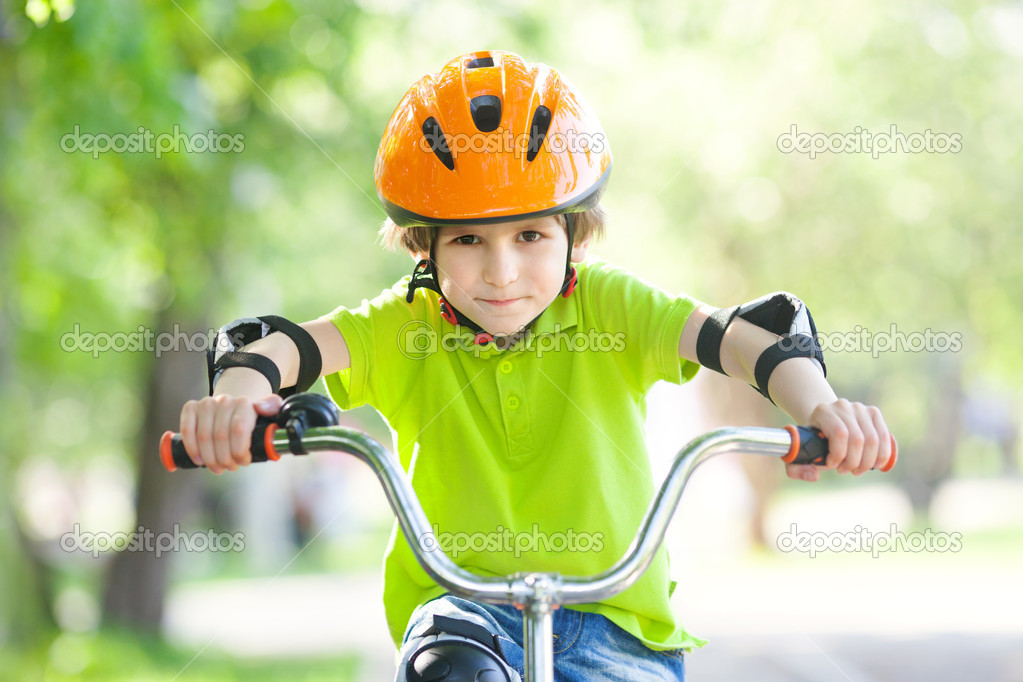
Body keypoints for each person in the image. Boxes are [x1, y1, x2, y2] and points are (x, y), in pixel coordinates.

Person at [177, 50, 893, 682]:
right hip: (464, 615)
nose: (501, 272)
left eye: (529, 235)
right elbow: (273, 346)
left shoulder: (613, 305)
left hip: (621, 628)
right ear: (422, 246)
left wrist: (818, 407)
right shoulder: (402, 325)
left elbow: (749, 338)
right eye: (465, 241)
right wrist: (238, 399)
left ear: (575, 231)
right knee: (452, 669)